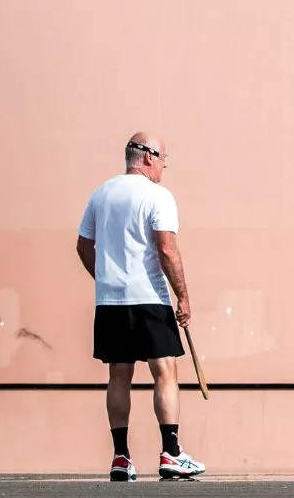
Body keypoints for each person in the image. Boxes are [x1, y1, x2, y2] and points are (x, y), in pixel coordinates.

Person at [75, 131, 206, 481]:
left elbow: (84, 246)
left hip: (110, 300)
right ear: (148, 156)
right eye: (163, 158)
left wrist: (104, 278)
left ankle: (121, 457)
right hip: (148, 297)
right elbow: (166, 248)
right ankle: (172, 453)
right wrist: (183, 296)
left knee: (118, 374)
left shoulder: (101, 194)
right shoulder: (157, 196)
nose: (164, 166)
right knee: (165, 372)